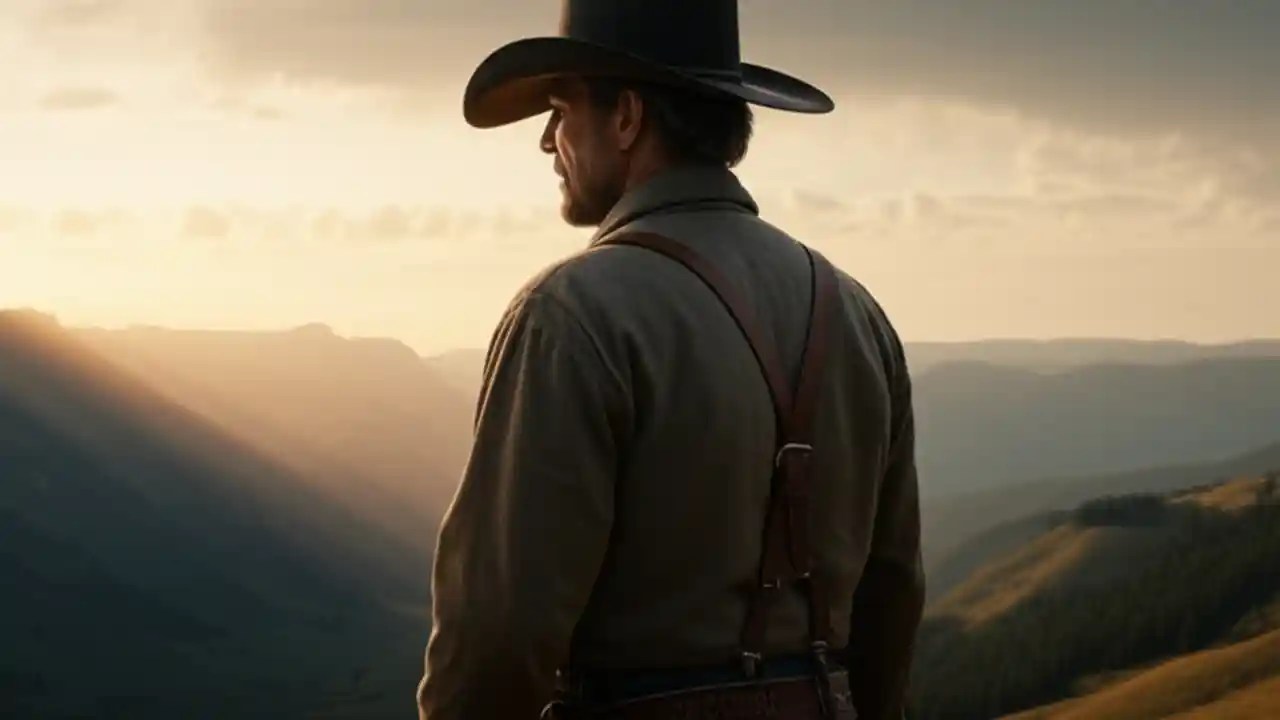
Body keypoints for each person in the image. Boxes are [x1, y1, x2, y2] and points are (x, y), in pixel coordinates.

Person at [418, 1, 925, 718]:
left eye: (561, 110)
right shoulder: (857, 312)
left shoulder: (572, 315)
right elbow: (893, 594)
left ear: (626, 118)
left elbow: (499, 633)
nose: (546, 141)